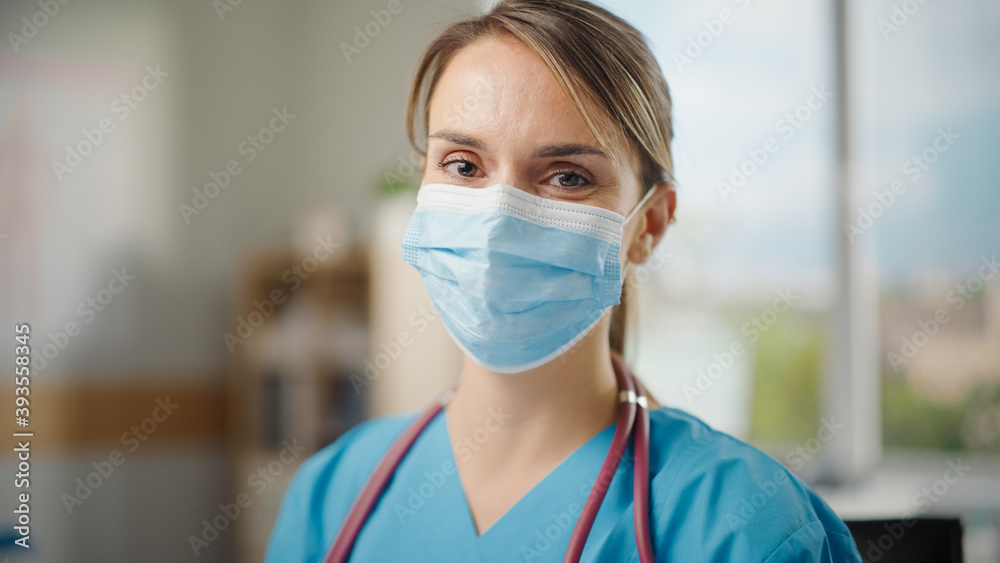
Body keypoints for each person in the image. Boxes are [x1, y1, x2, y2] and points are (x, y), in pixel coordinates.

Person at [265, 1, 863, 561]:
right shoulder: (333, 495)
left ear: (648, 225)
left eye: (567, 177)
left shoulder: (742, 524)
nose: (499, 219)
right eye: (464, 165)